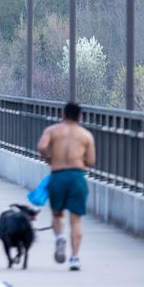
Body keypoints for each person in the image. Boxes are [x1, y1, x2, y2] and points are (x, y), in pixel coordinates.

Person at [36, 101, 96, 271]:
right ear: (80, 116)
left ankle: (60, 237)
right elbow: (91, 161)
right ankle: (75, 258)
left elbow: (41, 146)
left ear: (63, 114)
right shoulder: (86, 135)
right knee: (76, 220)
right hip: (77, 176)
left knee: (57, 213)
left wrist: (49, 158)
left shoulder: (52, 131)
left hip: (58, 174)